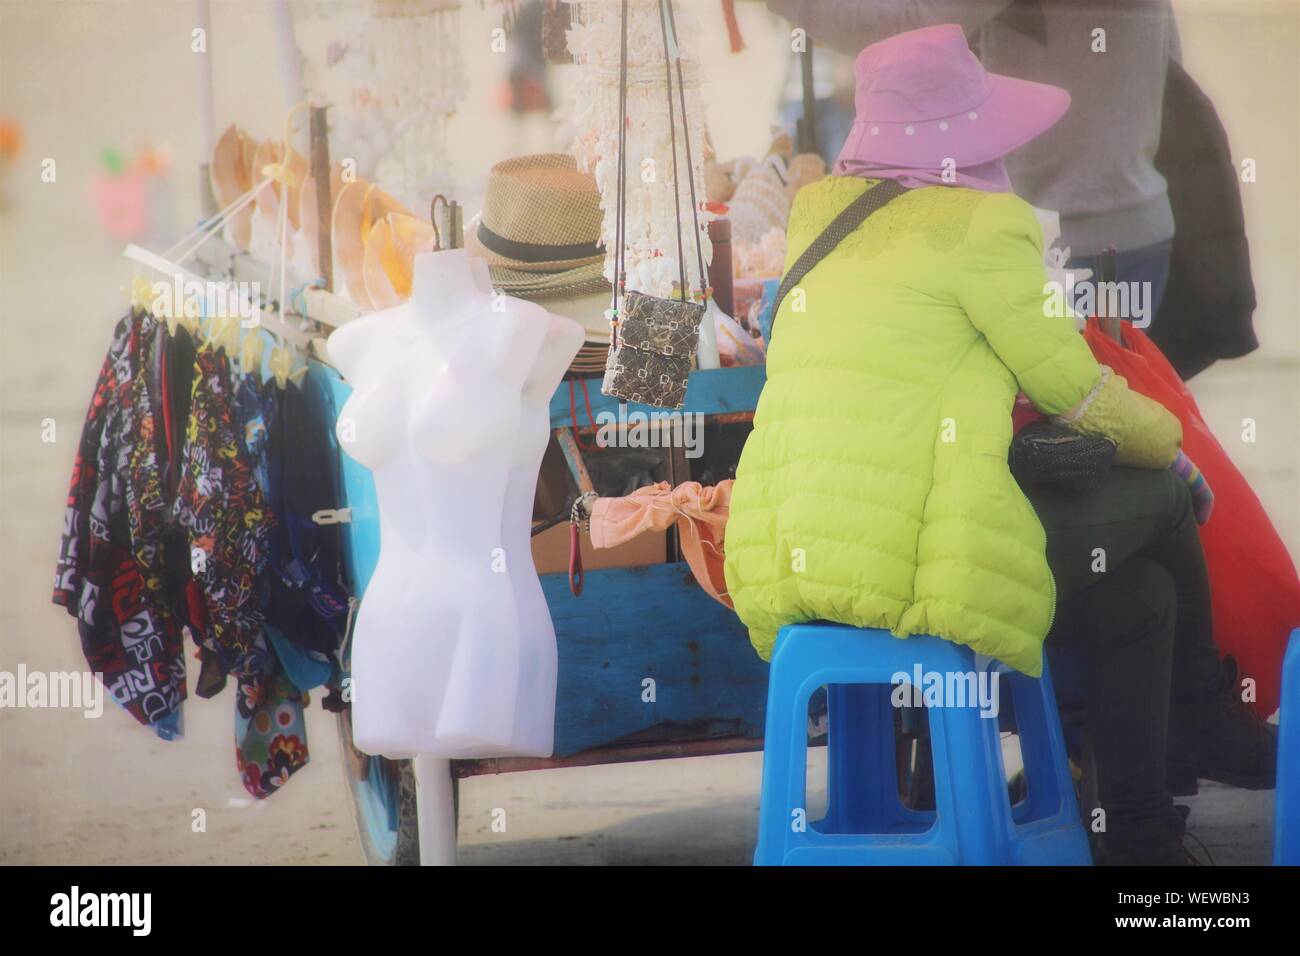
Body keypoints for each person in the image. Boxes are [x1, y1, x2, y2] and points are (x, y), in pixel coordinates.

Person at [723, 24, 1275, 866]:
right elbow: (1075, 391)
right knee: (1165, 498)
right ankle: (1199, 712)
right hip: (910, 559)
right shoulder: (983, 228)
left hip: (794, 560)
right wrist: (1171, 446)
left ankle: (1139, 825)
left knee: (1145, 599)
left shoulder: (817, 221)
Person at [766, 0, 1180, 320]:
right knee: (1105, 413)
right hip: (1126, 224)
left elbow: (912, 27)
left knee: (1073, 411)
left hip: (1074, 244)